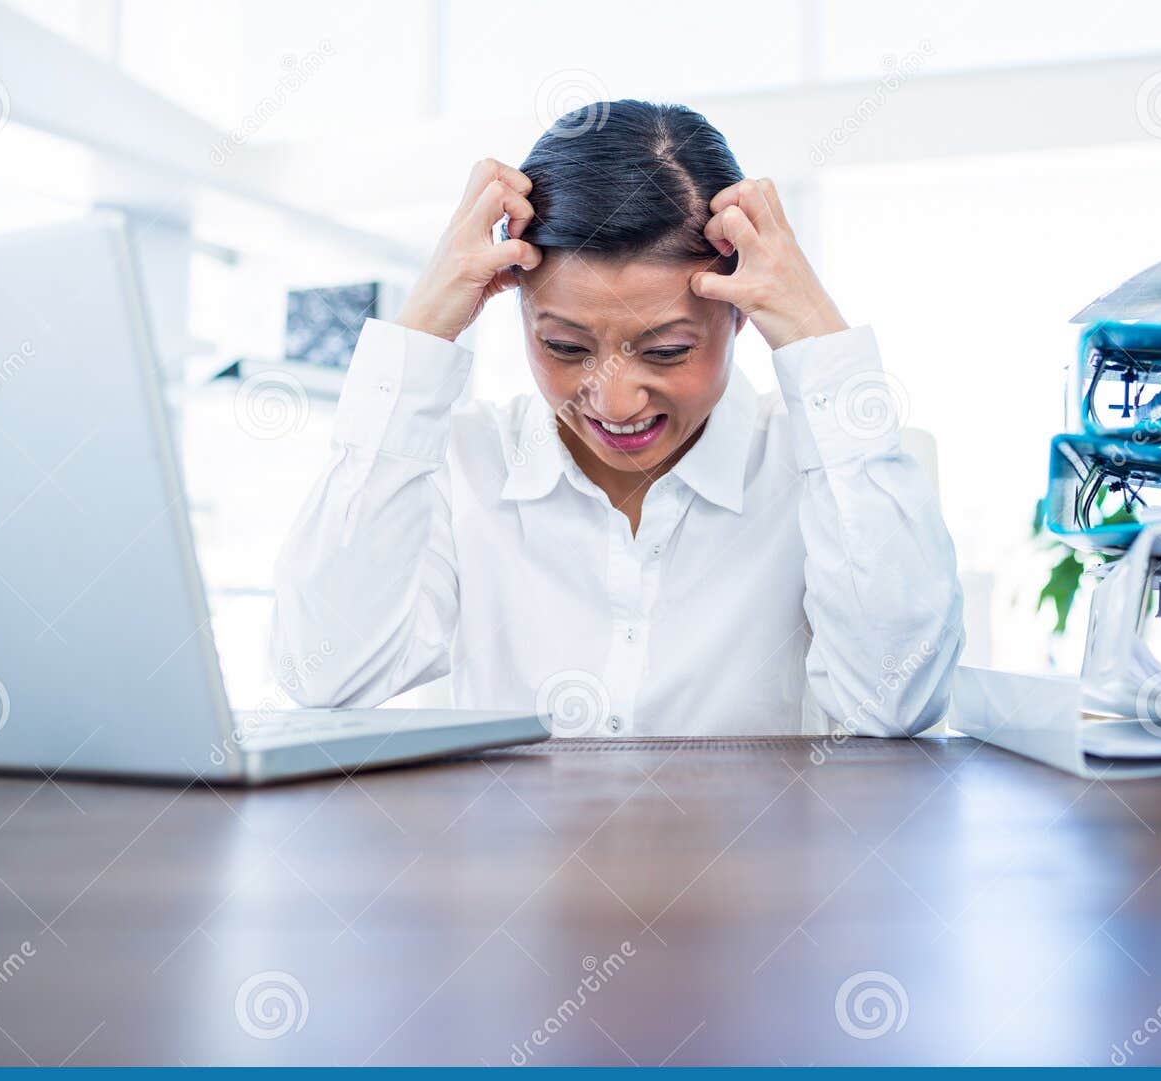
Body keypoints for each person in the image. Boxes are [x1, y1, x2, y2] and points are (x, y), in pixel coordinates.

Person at [272, 99, 962, 737]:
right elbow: (323, 674)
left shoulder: (812, 471)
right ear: (514, 307)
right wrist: (421, 331)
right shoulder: (461, 460)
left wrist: (818, 336)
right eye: (565, 347)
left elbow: (893, 702)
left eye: (666, 350)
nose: (614, 401)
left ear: (742, 310)